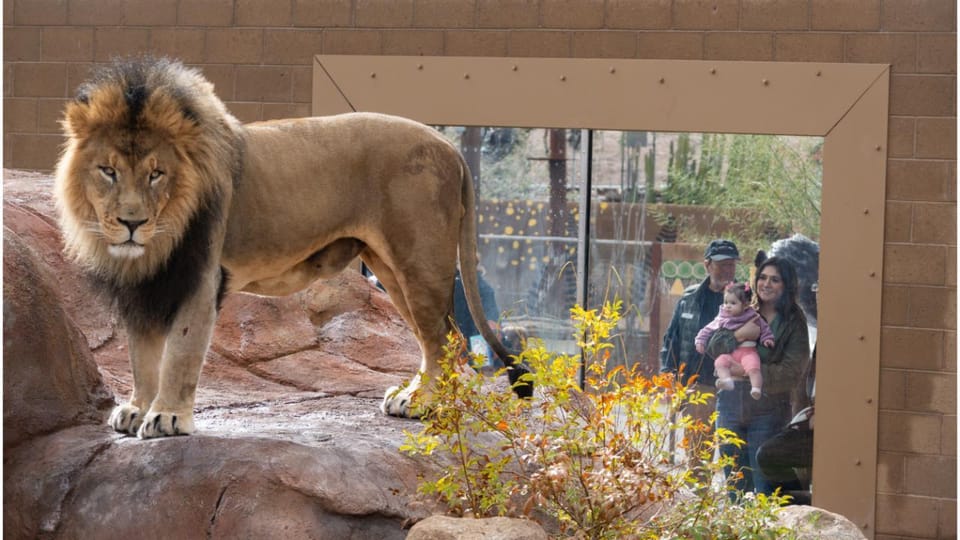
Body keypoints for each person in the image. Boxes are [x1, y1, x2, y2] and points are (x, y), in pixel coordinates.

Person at [716, 255, 810, 496]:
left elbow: (791, 373)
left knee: (763, 488)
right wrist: (738, 336)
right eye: (763, 278)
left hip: (768, 409)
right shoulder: (741, 307)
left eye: (775, 280)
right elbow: (713, 345)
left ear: (786, 285)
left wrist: (747, 373)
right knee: (735, 486)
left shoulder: (794, 321)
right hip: (730, 405)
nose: (766, 284)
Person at [659, 239, 744, 449]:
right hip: (699, 386)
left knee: (731, 453)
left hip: (734, 387)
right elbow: (672, 340)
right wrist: (669, 375)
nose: (728, 269)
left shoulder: (746, 301)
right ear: (707, 265)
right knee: (697, 453)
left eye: (731, 264)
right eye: (722, 264)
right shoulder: (690, 298)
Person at [695, 282, 775, 400]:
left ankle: (756, 388)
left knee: (753, 367)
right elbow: (707, 329)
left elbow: (764, 328)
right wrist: (700, 340)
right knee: (720, 362)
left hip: (748, 351)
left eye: (733, 303)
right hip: (731, 353)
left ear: (746, 304)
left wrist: (767, 339)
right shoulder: (723, 318)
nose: (727, 306)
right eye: (726, 302)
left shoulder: (753, 316)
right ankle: (727, 381)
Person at [453, 268, 503, 367]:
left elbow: (491, 316)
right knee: (480, 368)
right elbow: (492, 318)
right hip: (476, 333)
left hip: (464, 331)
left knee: (471, 367)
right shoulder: (484, 287)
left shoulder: (456, 285)